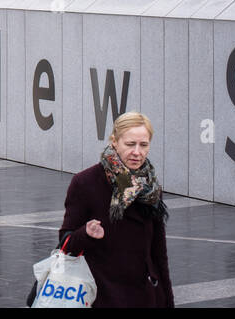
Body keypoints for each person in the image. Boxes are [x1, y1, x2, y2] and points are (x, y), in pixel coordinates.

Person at [57, 112, 172, 307]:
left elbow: (159, 253)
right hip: (102, 295)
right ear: (114, 142)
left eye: (143, 145)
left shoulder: (150, 187)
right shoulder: (85, 182)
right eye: (130, 144)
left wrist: (167, 300)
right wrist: (86, 233)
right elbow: (66, 245)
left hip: (144, 295)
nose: (137, 152)